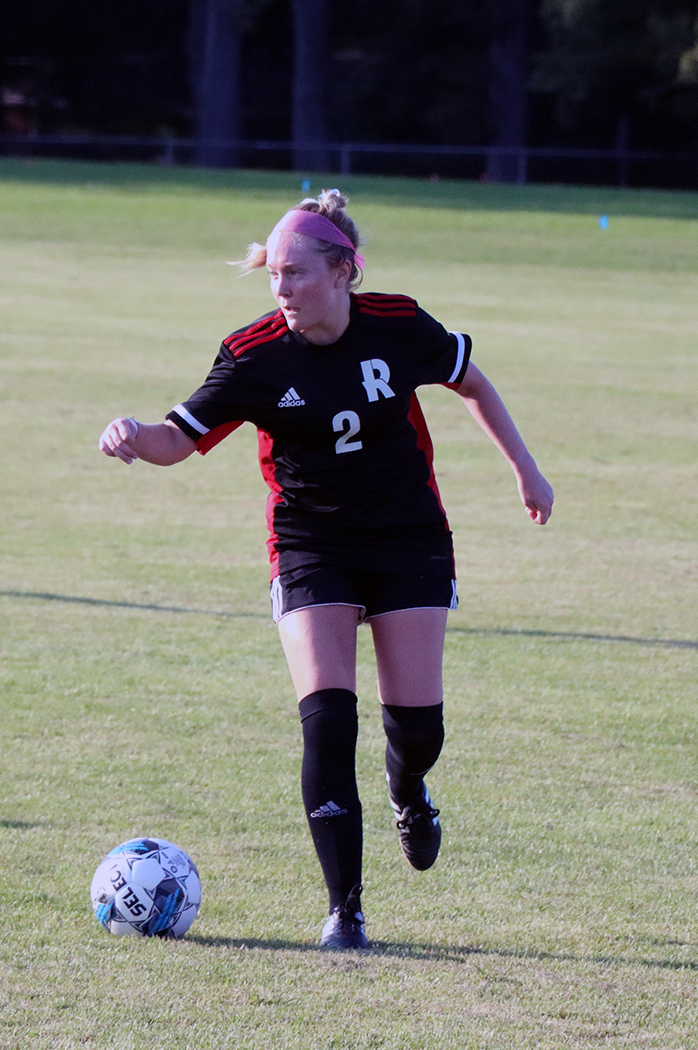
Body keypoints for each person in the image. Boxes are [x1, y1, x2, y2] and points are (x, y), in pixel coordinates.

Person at [97, 190, 553, 950]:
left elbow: (470, 380)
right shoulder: (253, 353)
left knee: (419, 730)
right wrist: (130, 434)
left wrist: (525, 468)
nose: (281, 291)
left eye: (297, 274)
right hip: (311, 543)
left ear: (345, 272)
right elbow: (176, 438)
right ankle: (346, 911)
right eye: (273, 274)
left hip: (408, 537)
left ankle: (408, 788)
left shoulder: (399, 324)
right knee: (328, 721)